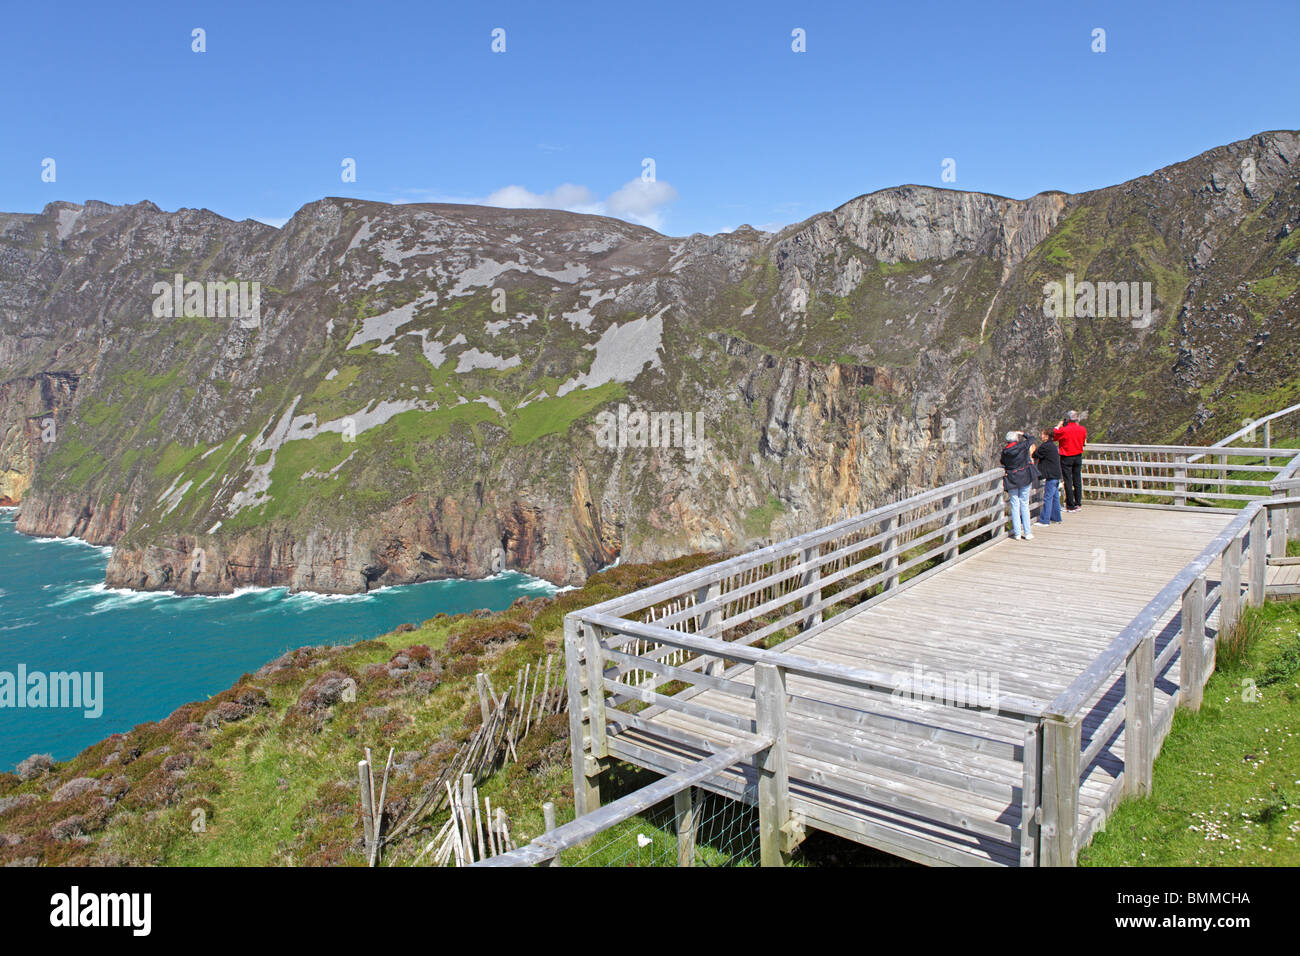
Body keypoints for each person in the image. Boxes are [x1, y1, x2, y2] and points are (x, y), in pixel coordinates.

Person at [1000, 430, 1036, 540]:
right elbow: (1032, 439)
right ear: (1016, 439)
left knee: (1015, 505)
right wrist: (1022, 433)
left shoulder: (1005, 452)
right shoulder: (1022, 446)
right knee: (1024, 504)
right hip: (1024, 476)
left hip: (1011, 478)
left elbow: (1003, 462)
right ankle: (1028, 533)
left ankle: (1017, 534)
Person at [1053, 411, 1088, 512]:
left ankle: (1070, 505)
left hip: (1066, 456)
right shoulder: (1082, 429)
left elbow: (1054, 436)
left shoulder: (1064, 430)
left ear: (1068, 419)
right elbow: (1083, 441)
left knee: (1068, 480)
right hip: (1078, 456)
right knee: (1077, 479)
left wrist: (1057, 426)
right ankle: (1078, 503)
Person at [1033, 428, 1063, 525]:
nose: (1041, 436)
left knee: (1048, 497)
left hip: (1051, 476)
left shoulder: (1045, 446)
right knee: (1055, 497)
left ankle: (1045, 520)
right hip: (1056, 474)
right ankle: (1056, 518)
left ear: (1046, 436)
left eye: (1042, 434)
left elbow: (1035, 454)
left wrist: (1033, 449)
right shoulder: (1052, 446)